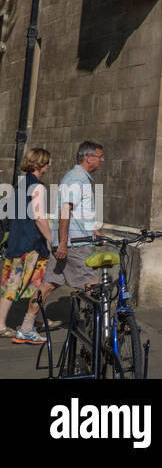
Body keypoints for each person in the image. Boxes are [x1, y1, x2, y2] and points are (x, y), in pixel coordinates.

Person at [34, 141, 106, 325]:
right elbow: (65, 212)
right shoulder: (76, 180)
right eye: (100, 157)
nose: (102, 160)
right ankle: (103, 325)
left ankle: (27, 326)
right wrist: (64, 243)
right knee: (92, 284)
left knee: (48, 285)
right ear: (88, 158)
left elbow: (76, 213)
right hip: (74, 244)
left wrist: (93, 230)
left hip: (71, 240)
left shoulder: (77, 178)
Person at [1, 147, 53, 342]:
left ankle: (38, 319)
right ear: (40, 164)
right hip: (30, 244)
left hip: (16, 241)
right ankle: (9, 324)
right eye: (48, 162)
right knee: (39, 283)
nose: (50, 165)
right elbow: (39, 218)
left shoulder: (19, 186)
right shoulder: (37, 187)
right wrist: (51, 239)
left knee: (12, 283)